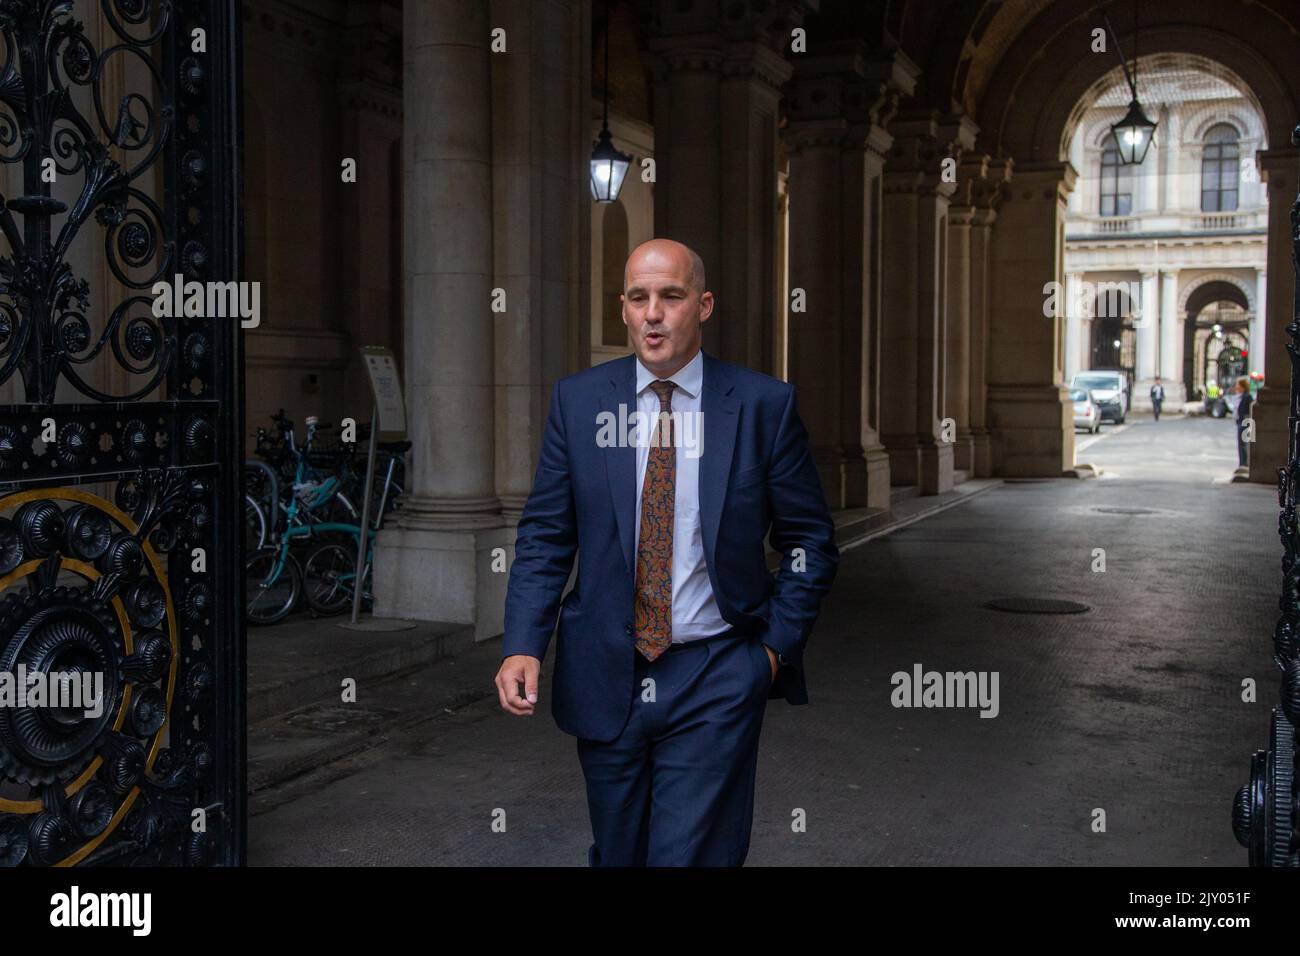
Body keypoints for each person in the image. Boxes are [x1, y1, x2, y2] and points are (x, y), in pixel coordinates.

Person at [495, 238, 839, 866]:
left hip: (715, 673)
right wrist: (522, 642)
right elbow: (546, 533)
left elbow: (809, 543)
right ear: (623, 309)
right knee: (619, 854)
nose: (653, 313)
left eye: (670, 296)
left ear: (702, 305)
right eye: (638, 297)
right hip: (607, 671)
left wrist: (767, 655)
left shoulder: (762, 406)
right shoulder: (579, 403)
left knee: (688, 857)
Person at [1235, 375, 1253, 468]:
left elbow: (1248, 412)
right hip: (1240, 422)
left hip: (1245, 423)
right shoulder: (1241, 396)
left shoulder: (1247, 397)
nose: (1236, 387)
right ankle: (1242, 463)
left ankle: (1244, 464)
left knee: (1243, 445)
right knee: (1241, 445)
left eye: (1238, 385)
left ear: (1242, 386)